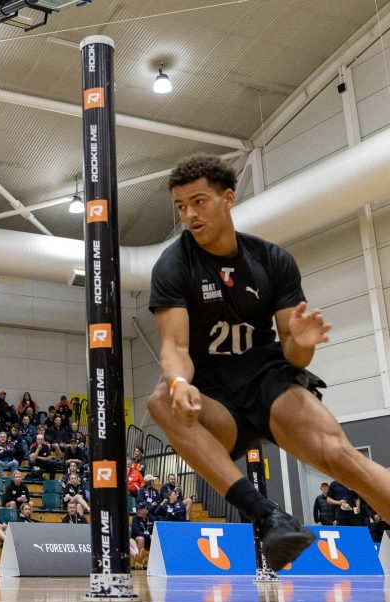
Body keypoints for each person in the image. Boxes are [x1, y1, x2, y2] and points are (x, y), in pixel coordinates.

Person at [142, 153, 390, 570]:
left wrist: (303, 343)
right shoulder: (172, 265)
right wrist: (180, 384)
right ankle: (267, 515)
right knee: (161, 399)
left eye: (199, 202)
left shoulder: (272, 260)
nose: (189, 214)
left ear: (227, 198)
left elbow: (293, 350)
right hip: (213, 396)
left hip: (267, 378)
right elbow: (175, 347)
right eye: (181, 206)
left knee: (343, 459)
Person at [130, 503, 154, 568]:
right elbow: (137, 532)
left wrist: (152, 536)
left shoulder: (152, 518)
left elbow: (155, 530)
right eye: (138, 509)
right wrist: (149, 536)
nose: (138, 511)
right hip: (137, 539)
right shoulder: (135, 518)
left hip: (150, 540)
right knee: (141, 538)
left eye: (141, 509)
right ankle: (139, 561)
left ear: (146, 511)